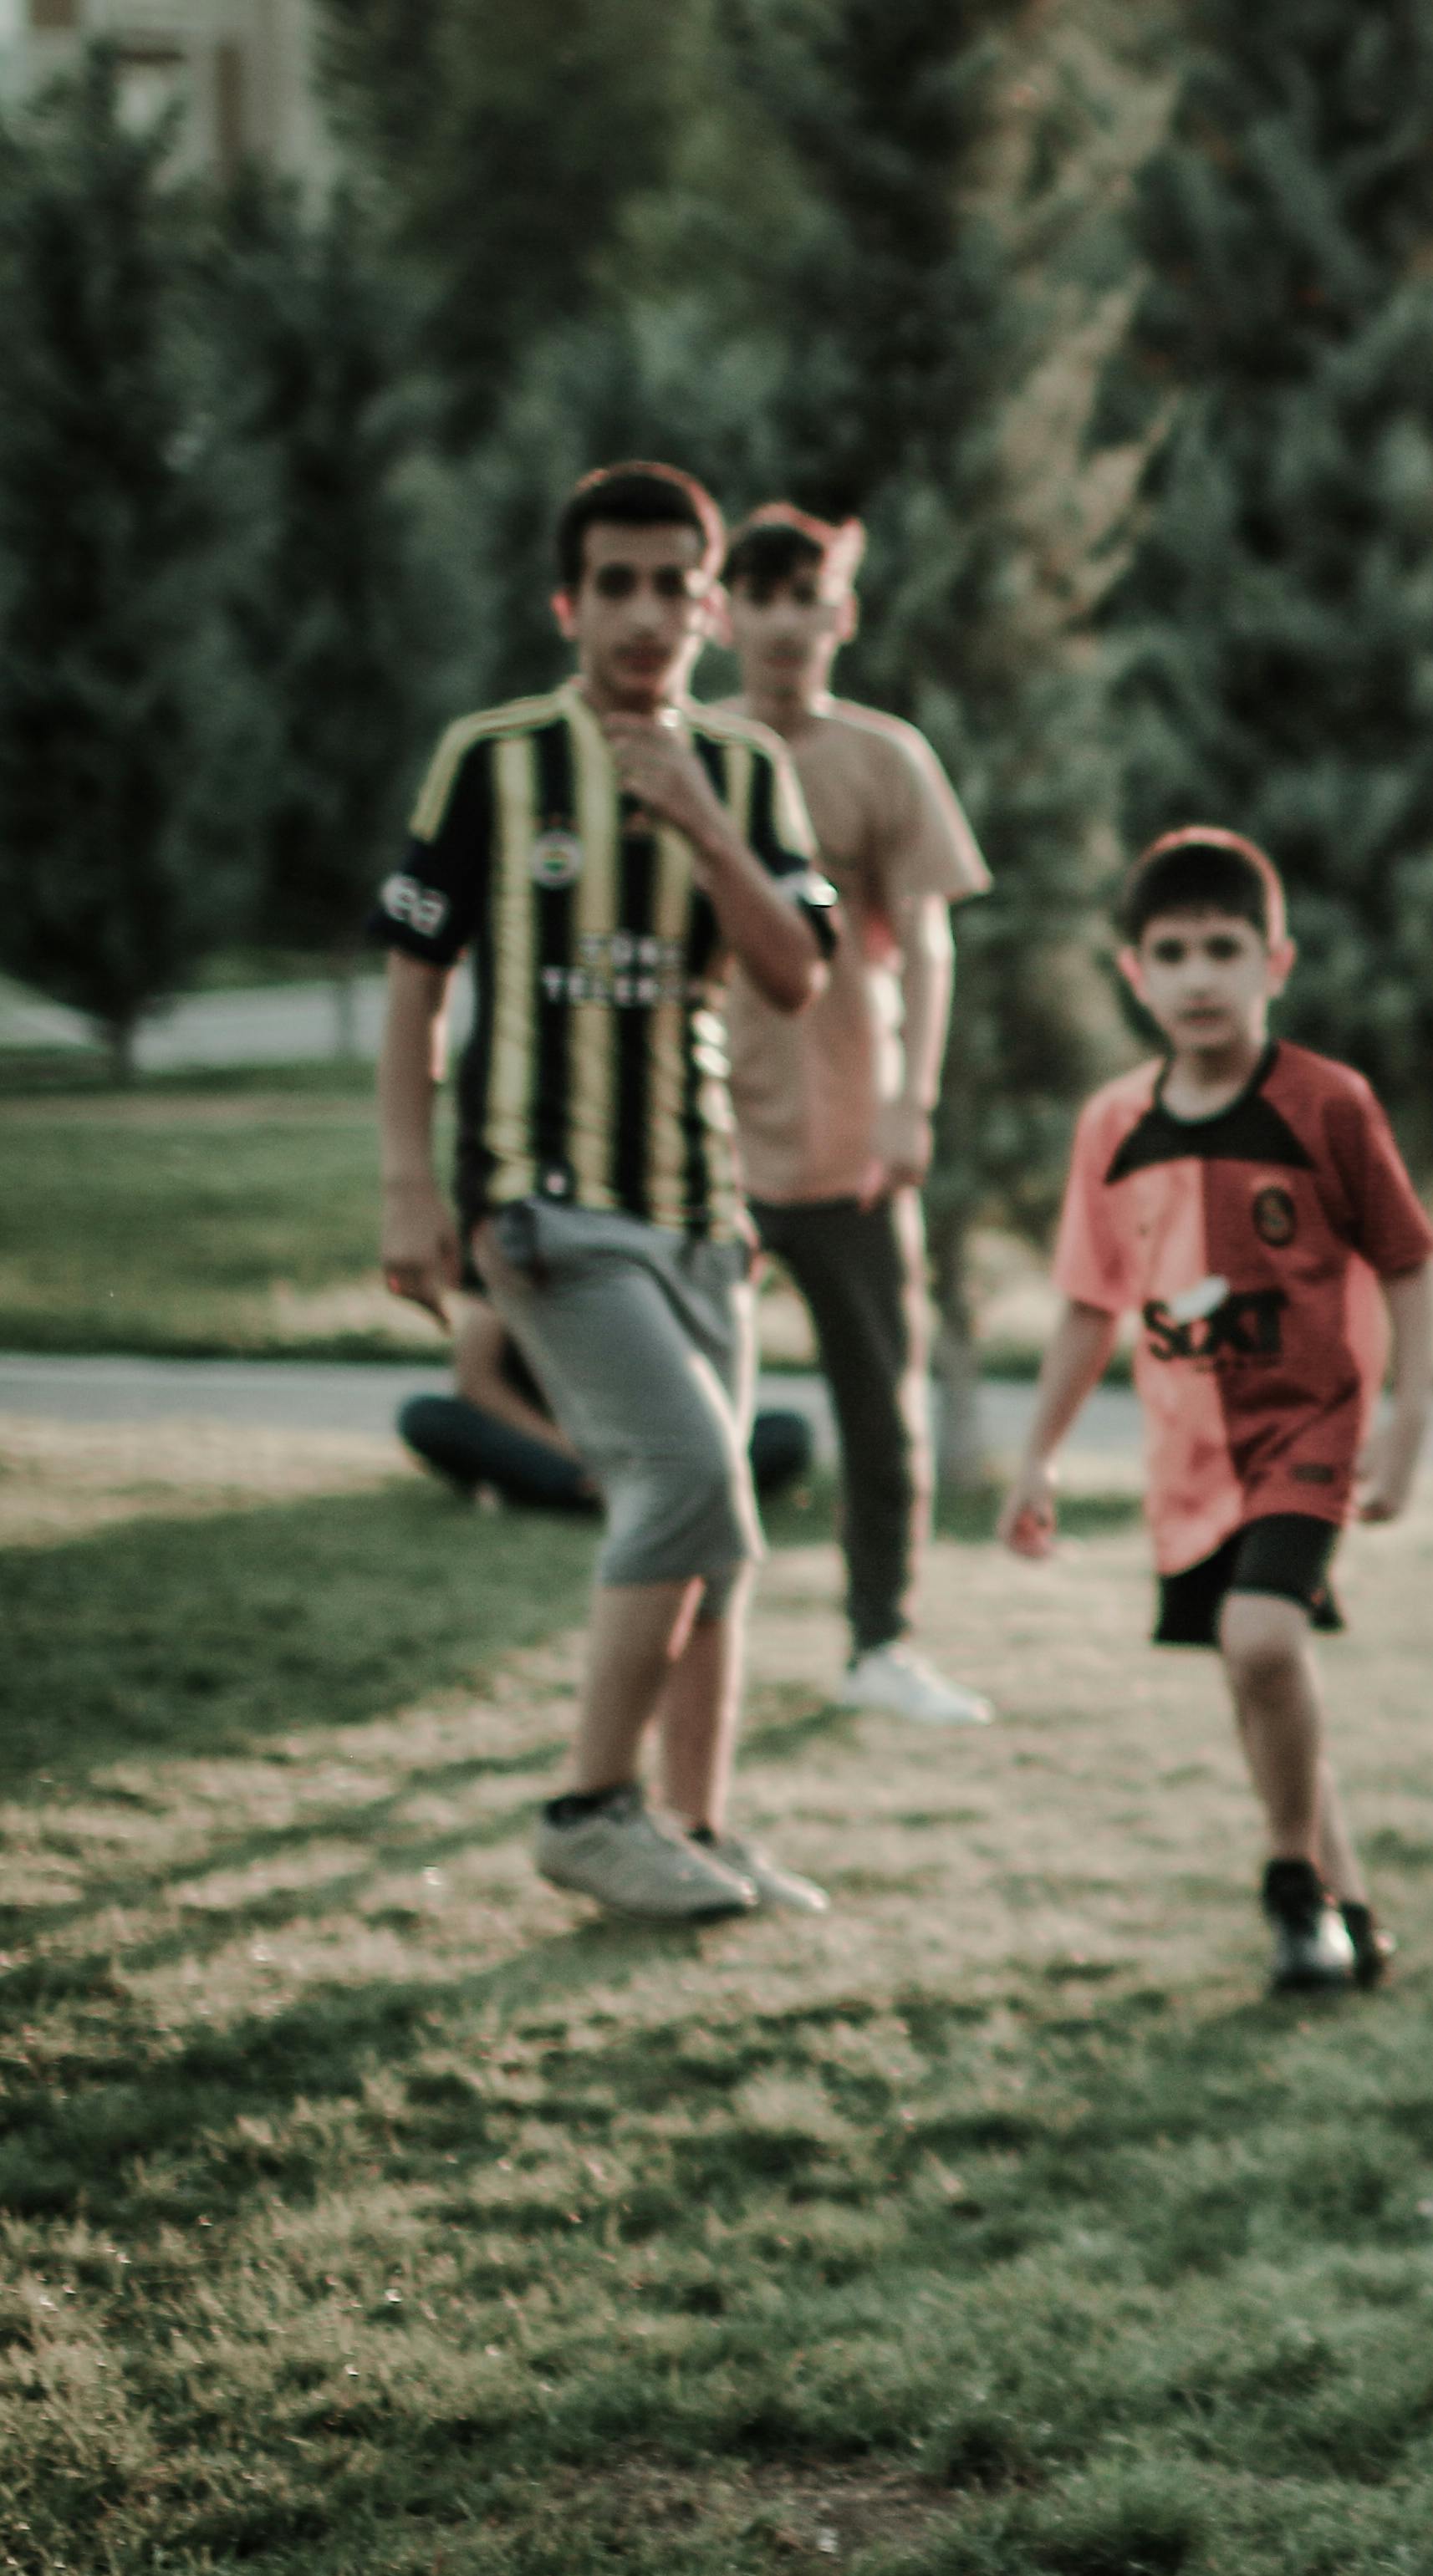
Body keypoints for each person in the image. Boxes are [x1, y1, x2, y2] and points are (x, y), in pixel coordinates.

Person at [372, 461, 840, 1927]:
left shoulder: (750, 770)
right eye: (614, 585)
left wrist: (701, 818)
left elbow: (795, 972)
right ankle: (588, 1807)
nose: (643, 614)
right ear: (569, 602)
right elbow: (413, 987)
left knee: (726, 1537)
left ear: (711, 605)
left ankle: (696, 1822)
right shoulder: (492, 758)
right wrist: (406, 1182)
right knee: (692, 1482)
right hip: (544, 1196)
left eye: (670, 586)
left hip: (701, 1208)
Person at [1001, 830, 1433, 1993]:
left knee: (1262, 1640)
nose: (1200, 976)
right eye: (1172, 952)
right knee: (1258, 1677)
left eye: (1225, 950)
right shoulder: (1113, 1124)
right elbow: (1090, 1304)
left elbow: (1407, 1264)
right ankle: (1348, 1911)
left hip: (1307, 1429)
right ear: (1133, 972)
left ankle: (1289, 1890)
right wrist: (1036, 1457)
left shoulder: (1327, 1104)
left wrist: (1408, 1422)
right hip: (1188, 1453)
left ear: (1275, 962)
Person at [709, 505, 1002, 1726]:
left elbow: (927, 945)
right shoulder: (683, 756)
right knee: (692, 1413)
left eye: (806, 594)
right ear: (723, 614)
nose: (784, 620)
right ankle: (683, 1637)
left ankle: (880, 1642)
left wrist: (907, 1102)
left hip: (848, 1139)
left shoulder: (885, 760)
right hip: (705, 1143)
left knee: (880, 1401)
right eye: (759, 594)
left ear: (844, 613)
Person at [401, 1296, 811, 1515]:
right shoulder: (508, 1250)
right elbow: (476, 1383)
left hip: (647, 1446)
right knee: (426, 1418)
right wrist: (575, 1451)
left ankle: (602, 1495)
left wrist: (638, 1454)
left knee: (785, 1433)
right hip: (544, 1444)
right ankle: (634, 1496)